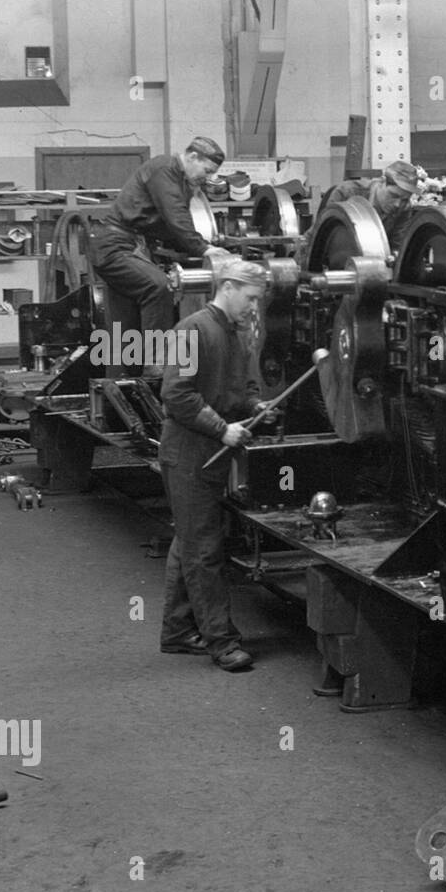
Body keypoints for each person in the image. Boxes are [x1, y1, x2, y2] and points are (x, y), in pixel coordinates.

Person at [158, 258, 275, 672]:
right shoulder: (191, 331)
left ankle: (177, 630)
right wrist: (223, 428)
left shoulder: (234, 334)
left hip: (209, 454)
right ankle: (221, 643)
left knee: (190, 541)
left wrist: (255, 404)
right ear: (227, 287)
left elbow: (236, 389)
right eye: (250, 298)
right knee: (204, 550)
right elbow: (177, 394)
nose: (253, 308)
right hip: (189, 452)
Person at [92, 137, 232, 339]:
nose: (208, 177)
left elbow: (167, 227)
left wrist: (199, 247)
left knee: (130, 313)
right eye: (207, 171)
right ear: (193, 157)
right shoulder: (164, 169)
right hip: (114, 246)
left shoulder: (180, 180)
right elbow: (175, 215)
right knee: (158, 287)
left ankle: (133, 366)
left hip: (129, 245)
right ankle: (156, 361)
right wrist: (203, 249)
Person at [316, 159, 421, 251]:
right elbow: (319, 235)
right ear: (382, 182)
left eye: (404, 199)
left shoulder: (404, 209)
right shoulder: (347, 192)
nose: (398, 204)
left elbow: (397, 246)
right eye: (394, 195)